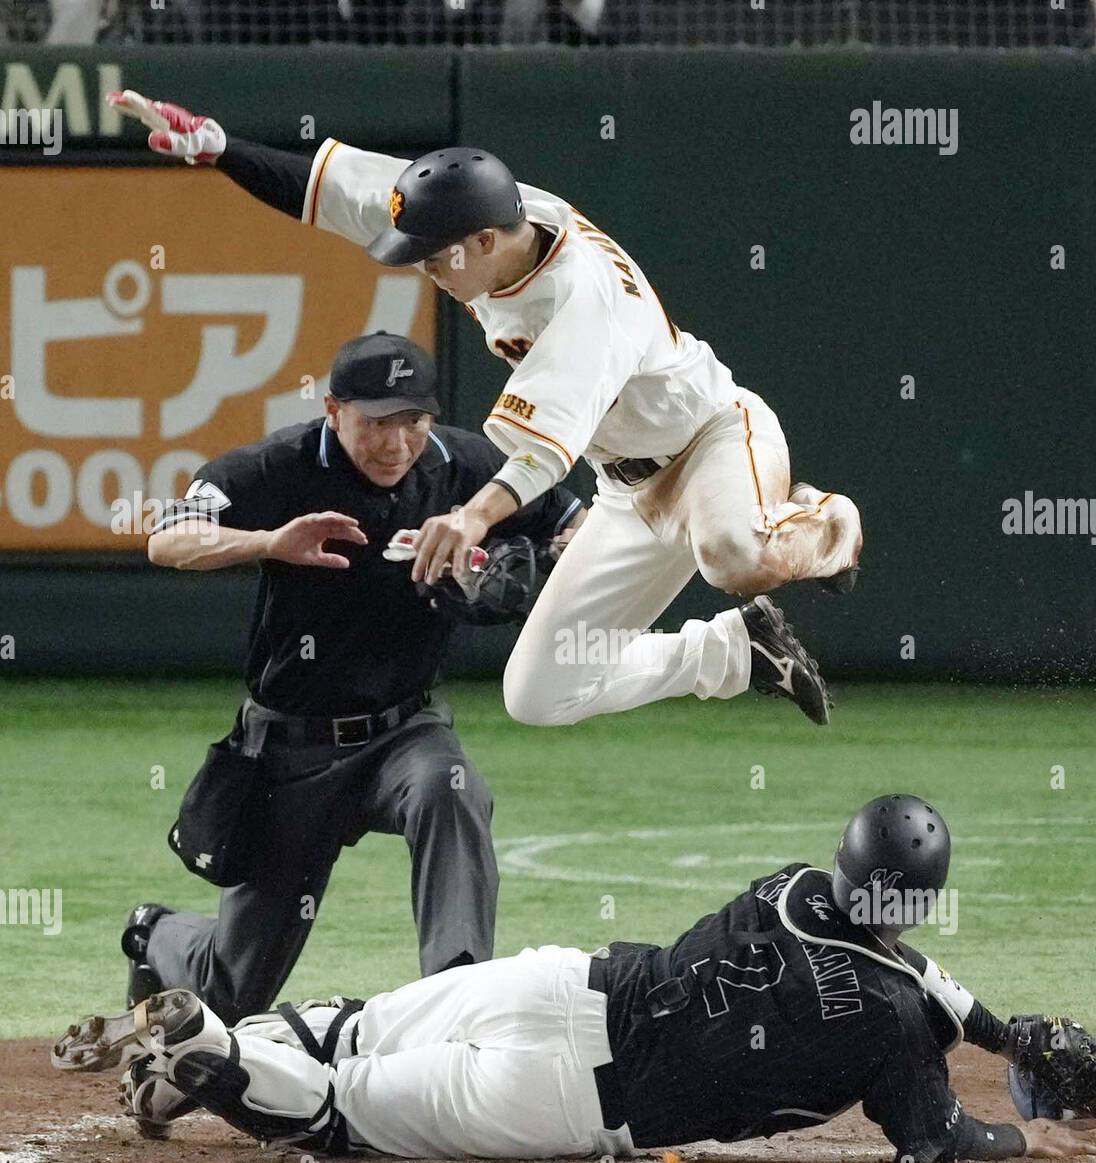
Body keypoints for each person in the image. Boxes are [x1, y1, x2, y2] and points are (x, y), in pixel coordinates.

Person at [105, 90, 864, 730]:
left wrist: (471, 517)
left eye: (437, 256)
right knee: (540, 693)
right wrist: (217, 147)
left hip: (711, 441)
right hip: (628, 490)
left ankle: (823, 524)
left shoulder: (582, 297)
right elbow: (325, 191)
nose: (428, 269)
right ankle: (738, 653)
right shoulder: (478, 217)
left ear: (483, 239)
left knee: (732, 554)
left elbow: (539, 452)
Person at [54, 795, 1096, 1163]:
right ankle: (213, 1054)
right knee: (339, 1116)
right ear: (922, 901)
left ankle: (217, 1050)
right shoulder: (897, 1028)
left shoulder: (793, 887)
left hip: (556, 979)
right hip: (570, 1100)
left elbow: (881, 951)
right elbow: (931, 1137)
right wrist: (1015, 1124)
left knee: (344, 1032)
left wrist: (992, 1026)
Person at [121, 330, 583, 1136]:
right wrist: (266, 542)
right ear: (333, 410)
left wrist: (551, 562)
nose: (395, 441)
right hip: (289, 750)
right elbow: (168, 536)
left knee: (451, 786)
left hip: (404, 735)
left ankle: (462, 1004)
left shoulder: (466, 468)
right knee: (231, 994)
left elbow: (574, 522)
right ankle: (156, 934)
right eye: (374, 421)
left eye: (411, 419)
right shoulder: (280, 468)